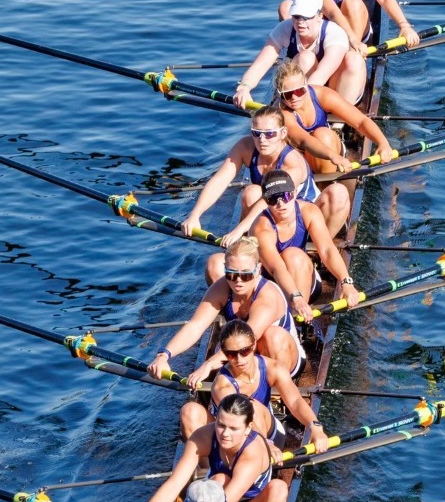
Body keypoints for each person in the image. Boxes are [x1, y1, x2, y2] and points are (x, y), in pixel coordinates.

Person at [123, 393, 292, 502]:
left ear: (248, 428)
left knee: (278, 488)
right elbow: (175, 483)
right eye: (221, 425)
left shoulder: (253, 452)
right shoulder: (203, 436)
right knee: (219, 479)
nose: (225, 434)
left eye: (234, 428)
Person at [151, 236, 303, 382]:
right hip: (244, 356)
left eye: (245, 275)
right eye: (231, 274)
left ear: (258, 270)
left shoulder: (267, 296)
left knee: (272, 336)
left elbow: (246, 340)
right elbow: (195, 326)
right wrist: (163, 355)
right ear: (225, 269)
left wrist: (208, 364)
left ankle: (275, 393)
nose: (238, 281)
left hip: (283, 358)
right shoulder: (221, 288)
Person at [177, 319, 331, 453]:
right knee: (190, 410)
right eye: (231, 354)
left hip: (266, 433)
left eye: (245, 351)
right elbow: (240, 420)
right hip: (228, 437)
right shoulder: (222, 386)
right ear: (224, 353)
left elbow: (295, 402)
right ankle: (207, 473)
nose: (239, 359)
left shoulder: (273, 368)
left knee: (251, 407)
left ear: (254, 345)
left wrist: (314, 425)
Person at [271, 63, 391, 232]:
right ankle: (328, 207)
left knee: (323, 135)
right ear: (279, 94)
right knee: (319, 137)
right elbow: (304, 140)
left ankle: (335, 204)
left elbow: (360, 121)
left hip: (328, 151)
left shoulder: (321, 94)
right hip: (303, 165)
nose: (295, 98)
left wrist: (383, 143)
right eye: (287, 94)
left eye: (299, 91)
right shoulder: (282, 114)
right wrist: (332, 156)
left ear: (306, 84)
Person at [226, 172, 356, 319]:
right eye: (273, 199)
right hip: (272, 287)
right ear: (266, 201)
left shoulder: (309, 211)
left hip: (302, 280)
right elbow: (276, 268)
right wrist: (296, 297)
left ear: (294, 193)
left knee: (294, 256)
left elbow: (326, 250)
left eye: (285, 196)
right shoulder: (261, 228)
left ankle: (298, 321)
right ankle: (292, 315)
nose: (280, 204)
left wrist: (346, 282)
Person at [182, 105, 318, 242]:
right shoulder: (245, 147)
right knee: (251, 192)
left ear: (283, 133)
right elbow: (220, 180)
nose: (262, 140)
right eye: (257, 133)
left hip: (298, 214)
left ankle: (247, 242)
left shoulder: (291, 163)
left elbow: (266, 201)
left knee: (254, 194)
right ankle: (248, 244)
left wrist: (238, 230)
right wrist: (195, 215)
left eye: (270, 133)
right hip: (273, 207)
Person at [232, 0, 364, 108]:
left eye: (306, 17)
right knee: (305, 57)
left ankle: (340, 119)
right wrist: (244, 88)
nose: (300, 22)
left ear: (320, 16)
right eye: (296, 16)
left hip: (336, 87)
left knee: (354, 59)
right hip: (302, 90)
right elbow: (261, 64)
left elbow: (322, 74)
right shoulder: (285, 28)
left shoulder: (335, 33)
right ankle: (295, 106)